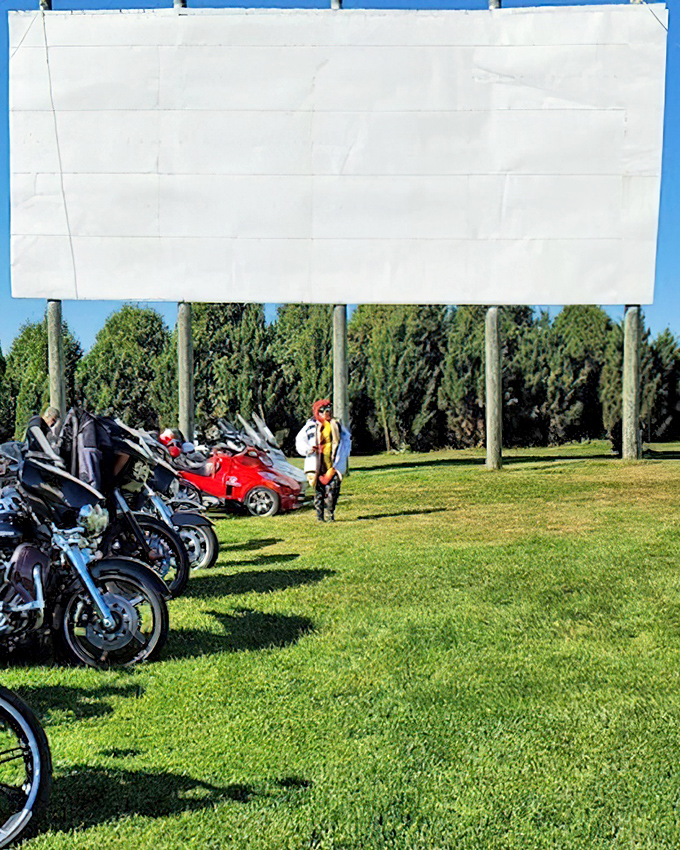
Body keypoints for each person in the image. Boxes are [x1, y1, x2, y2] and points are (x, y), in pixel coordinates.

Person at [295, 399, 350, 522]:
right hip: (316, 465)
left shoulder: (336, 425)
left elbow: (346, 441)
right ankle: (320, 516)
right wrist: (308, 449)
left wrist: (342, 456)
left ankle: (330, 514)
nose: (326, 413)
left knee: (333, 490)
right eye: (322, 411)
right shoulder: (310, 427)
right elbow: (300, 441)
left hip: (332, 465)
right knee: (319, 492)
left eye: (328, 410)